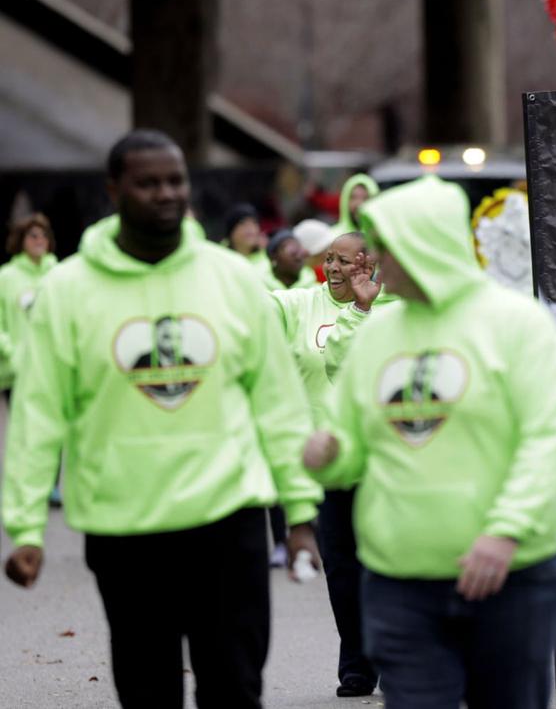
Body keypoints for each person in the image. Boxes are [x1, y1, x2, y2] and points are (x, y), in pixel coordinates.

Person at [1, 130, 323, 709]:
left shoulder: (231, 279)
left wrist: (299, 512)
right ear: (114, 189)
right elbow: (38, 413)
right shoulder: (68, 290)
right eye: (148, 182)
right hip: (125, 527)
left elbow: (278, 404)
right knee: (147, 691)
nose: (165, 193)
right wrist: (26, 527)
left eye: (175, 180)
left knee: (235, 687)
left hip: (229, 519)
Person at [302, 176, 556, 709]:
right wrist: (329, 457)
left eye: (385, 245)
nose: (374, 258)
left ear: (422, 244)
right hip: (400, 581)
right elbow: (351, 441)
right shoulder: (376, 335)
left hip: (509, 576)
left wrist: (506, 532)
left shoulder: (517, 325)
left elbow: (550, 438)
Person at [273, 231, 389, 698]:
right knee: (342, 572)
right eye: (330, 260)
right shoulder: (299, 305)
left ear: (369, 263)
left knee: (388, 567)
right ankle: (357, 665)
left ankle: (396, 655)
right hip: (328, 463)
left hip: (385, 463)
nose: (336, 269)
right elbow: (247, 307)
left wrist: (364, 307)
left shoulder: (395, 308)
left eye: (346, 261)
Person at [0, 213, 58, 398]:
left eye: (44, 235)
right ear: (20, 240)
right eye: (33, 235)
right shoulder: (6, 277)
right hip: (18, 373)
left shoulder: (59, 274)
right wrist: (13, 353)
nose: (40, 240)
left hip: (55, 371)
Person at [224, 202, 273, 279]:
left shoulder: (270, 258)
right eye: (243, 223)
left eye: (254, 223)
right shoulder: (220, 258)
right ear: (231, 231)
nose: (250, 228)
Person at [331, 173, 380, 237]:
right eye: (353, 197)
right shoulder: (333, 236)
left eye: (366, 198)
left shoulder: (385, 235)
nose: (359, 203)